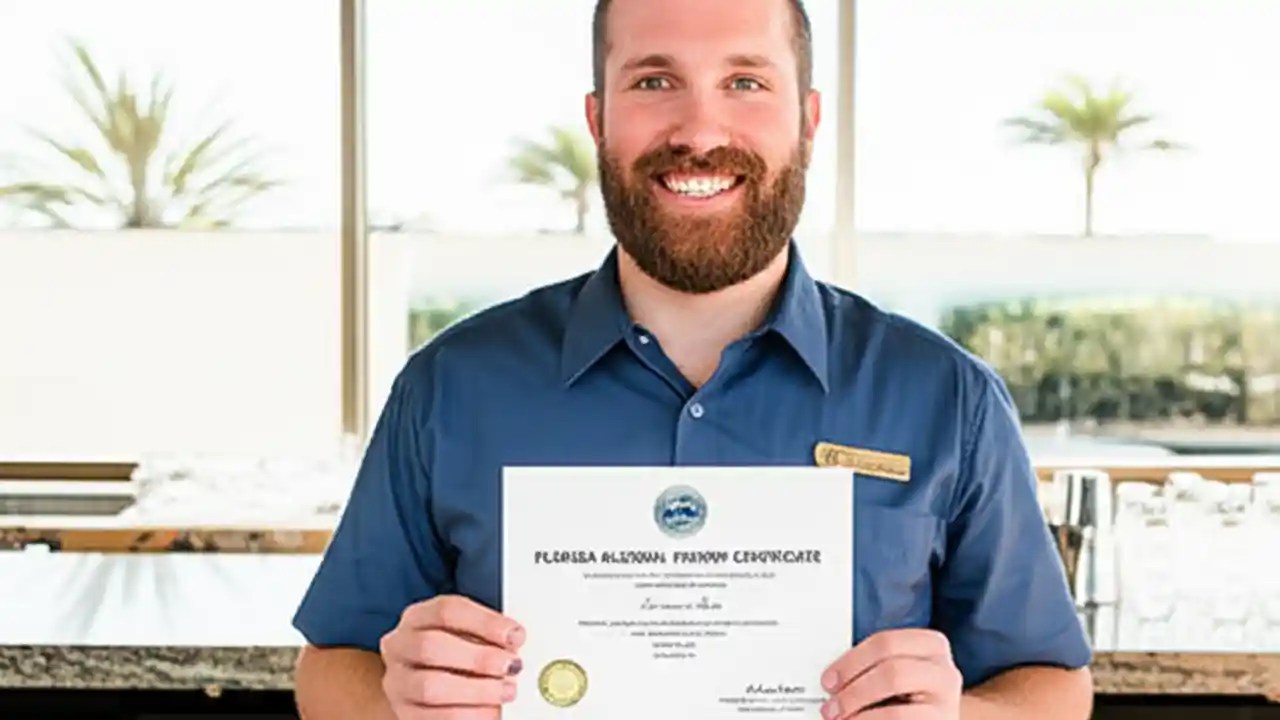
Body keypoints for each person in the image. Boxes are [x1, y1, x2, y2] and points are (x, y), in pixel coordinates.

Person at [291, 0, 1095, 717]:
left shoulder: (946, 398)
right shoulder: (451, 387)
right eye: (652, 82)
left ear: (808, 120)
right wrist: (395, 704)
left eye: (745, 82)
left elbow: (1054, 685)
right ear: (598, 117)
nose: (701, 133)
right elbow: (330, 669)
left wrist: (961, 719)